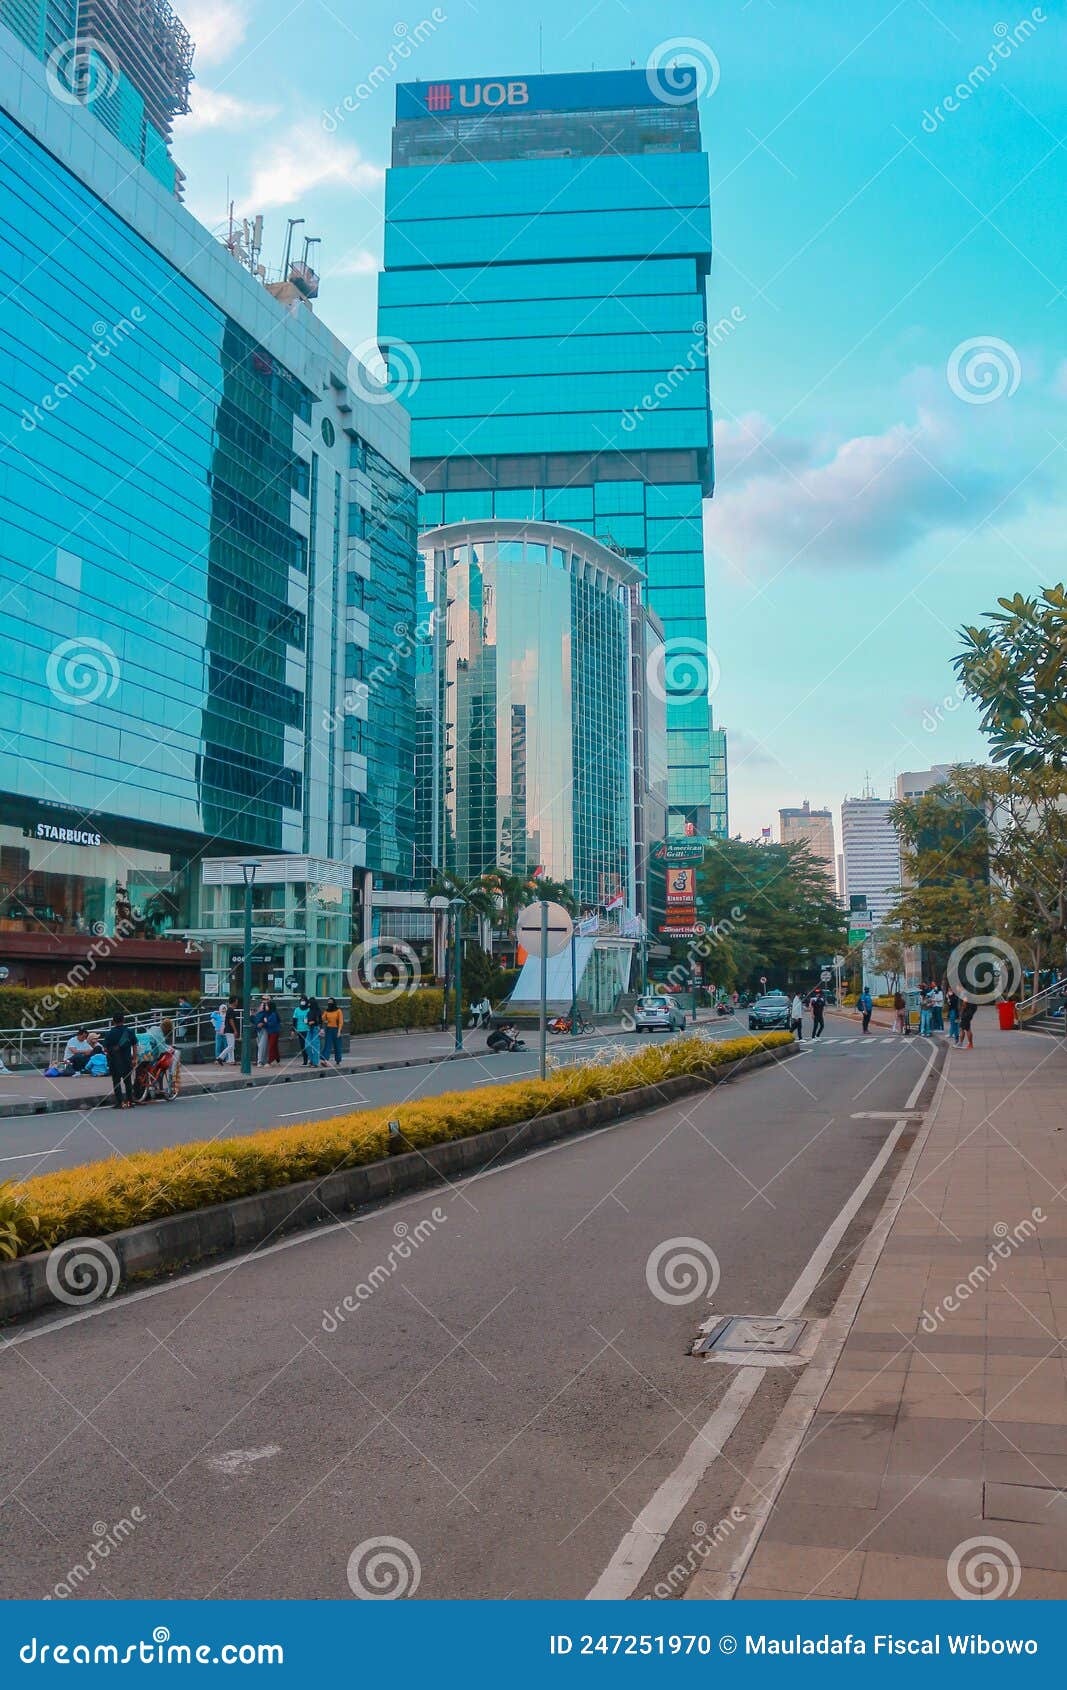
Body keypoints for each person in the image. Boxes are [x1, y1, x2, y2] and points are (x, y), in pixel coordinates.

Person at [102, 1012, 137, 1108]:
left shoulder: (109, 1033)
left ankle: (119, 1102)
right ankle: (130, 1101)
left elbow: (105, 1048)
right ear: (123, 1020)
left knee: (116, 1082)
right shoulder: (130, 1032)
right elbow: (134, 1045)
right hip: (127, 1060)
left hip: (114, 1061)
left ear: (113, 1021)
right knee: (128, 1081)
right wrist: (135, 1058)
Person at [322, 998, 344, 1066]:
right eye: (328, 1002)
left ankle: (338, 1061)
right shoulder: (327, 1011)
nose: (329, 1003)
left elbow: (341, 1022)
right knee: (327, 1045)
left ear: (334, 1003)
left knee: (337, 1045)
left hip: (336, 1029)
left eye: (331, 1002)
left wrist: (339, 1031)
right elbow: (322, 1018)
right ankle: (325, 1060)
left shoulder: (338, 1011)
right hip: (329, 1029)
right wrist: (323, 1019)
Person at [253, 996, 271, 1067]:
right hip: (258, 1030)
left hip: (264, 1029)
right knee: (261, 1045)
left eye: (265, 1000)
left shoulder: (268, 1011)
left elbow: (268, 1020)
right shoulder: (259, 1012)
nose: (263, 1002)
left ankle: (260, 1061)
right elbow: (256, 1019)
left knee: (262, 1045)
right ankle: (261, 1060)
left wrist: (263, 1023)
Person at [219, 997, 238, 1064]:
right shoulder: (230, 1010)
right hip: (230, 1030)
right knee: (231, 1046)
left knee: (231, 1046)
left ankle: (231, 1060)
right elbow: (231, 1020)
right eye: (236, 1001)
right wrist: (235, 1030)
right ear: (234, 1002)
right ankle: (220, 1057)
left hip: (228, 1030)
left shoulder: (230, 1010)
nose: (237, 1002)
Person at [305, 996, 322, 1067]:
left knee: (315, 1046)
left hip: (315, 1029)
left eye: (309, 1003)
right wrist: (307, 1022)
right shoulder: (308, 1012)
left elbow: (319, 1021)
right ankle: (311, 1060)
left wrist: (313, 1022)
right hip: (310, 1029)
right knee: (307, 1045)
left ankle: (315, 1062)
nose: (308, 1004)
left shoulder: (318, 1011)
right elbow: (306, 1020)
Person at [293, 996, 310, 1065]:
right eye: (301, 1000)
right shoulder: (297, 1009)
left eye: (304, 1000)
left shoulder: (308, 1010)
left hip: (307, 1030)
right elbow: (294, 1020)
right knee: (302, 1046)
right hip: (300, 1030)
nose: (302, 1002)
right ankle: (305, 1060)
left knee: (308, 1045)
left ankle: (311, 1059)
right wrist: (293, 1029)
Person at [265, 999, 281, 1065]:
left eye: (267, 1006)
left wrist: (266, 1022)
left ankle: (270, 1060)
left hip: (274, 1032)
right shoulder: (271, 1013)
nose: (266, 1007)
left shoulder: (273, 1014)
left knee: (271, 1046)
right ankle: (277, 1058)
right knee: (274, 1046)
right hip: (272, 1032)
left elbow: (272, 1023)